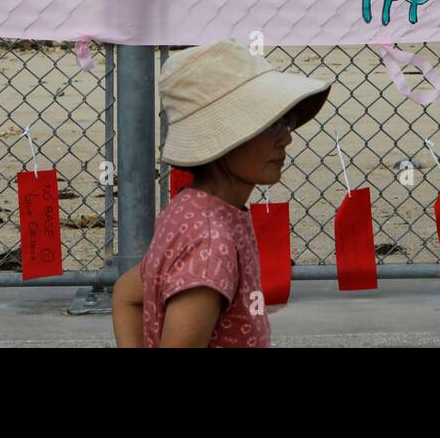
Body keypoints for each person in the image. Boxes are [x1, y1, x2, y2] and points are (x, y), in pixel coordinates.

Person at [111, 39, 331, 348]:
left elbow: (126, 294)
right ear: (223, 138)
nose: (286, 139)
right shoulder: (212, 242)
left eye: (286, 121)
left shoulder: (190, 210)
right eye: (270, 125)